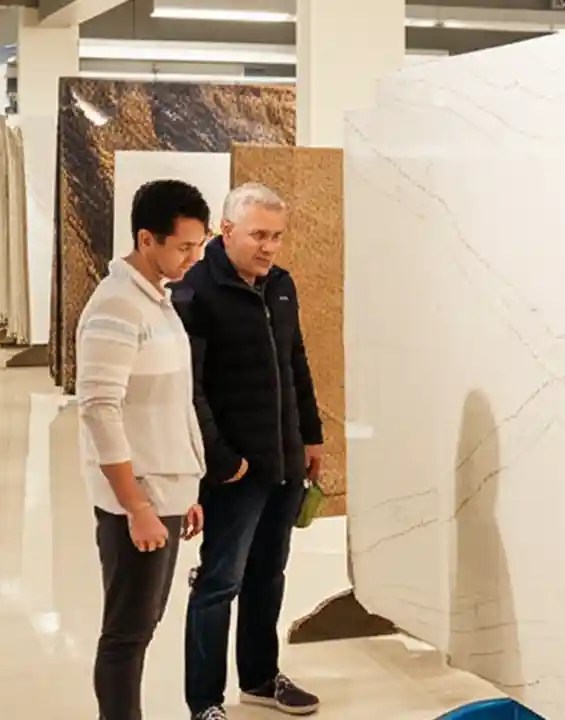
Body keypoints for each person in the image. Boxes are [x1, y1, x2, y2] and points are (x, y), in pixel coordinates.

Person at [174, 182, 323, 720]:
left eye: (277, 237)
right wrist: (221, 460)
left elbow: (296, 364)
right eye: (258, 235)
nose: (269, 247)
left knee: (268, 574)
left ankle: (260, 678)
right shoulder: (195, 291)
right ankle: (204, 702)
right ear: (227, 229)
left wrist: (310, 436)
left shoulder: (281, 285)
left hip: (282, 460)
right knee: (219, 583)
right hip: (235, 471)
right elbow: (189, 387)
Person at [76, 179, 210, 720]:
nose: (194, 258)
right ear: (146, 238)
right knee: (127, 634)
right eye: (184, 247)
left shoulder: (158, 301)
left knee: (145, 622)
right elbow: (99, 410)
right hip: (140, 502)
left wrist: (186, 488)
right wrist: (137, 506)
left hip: (166, 494)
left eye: (200, 246)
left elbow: (169, 406)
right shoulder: (116, 306)